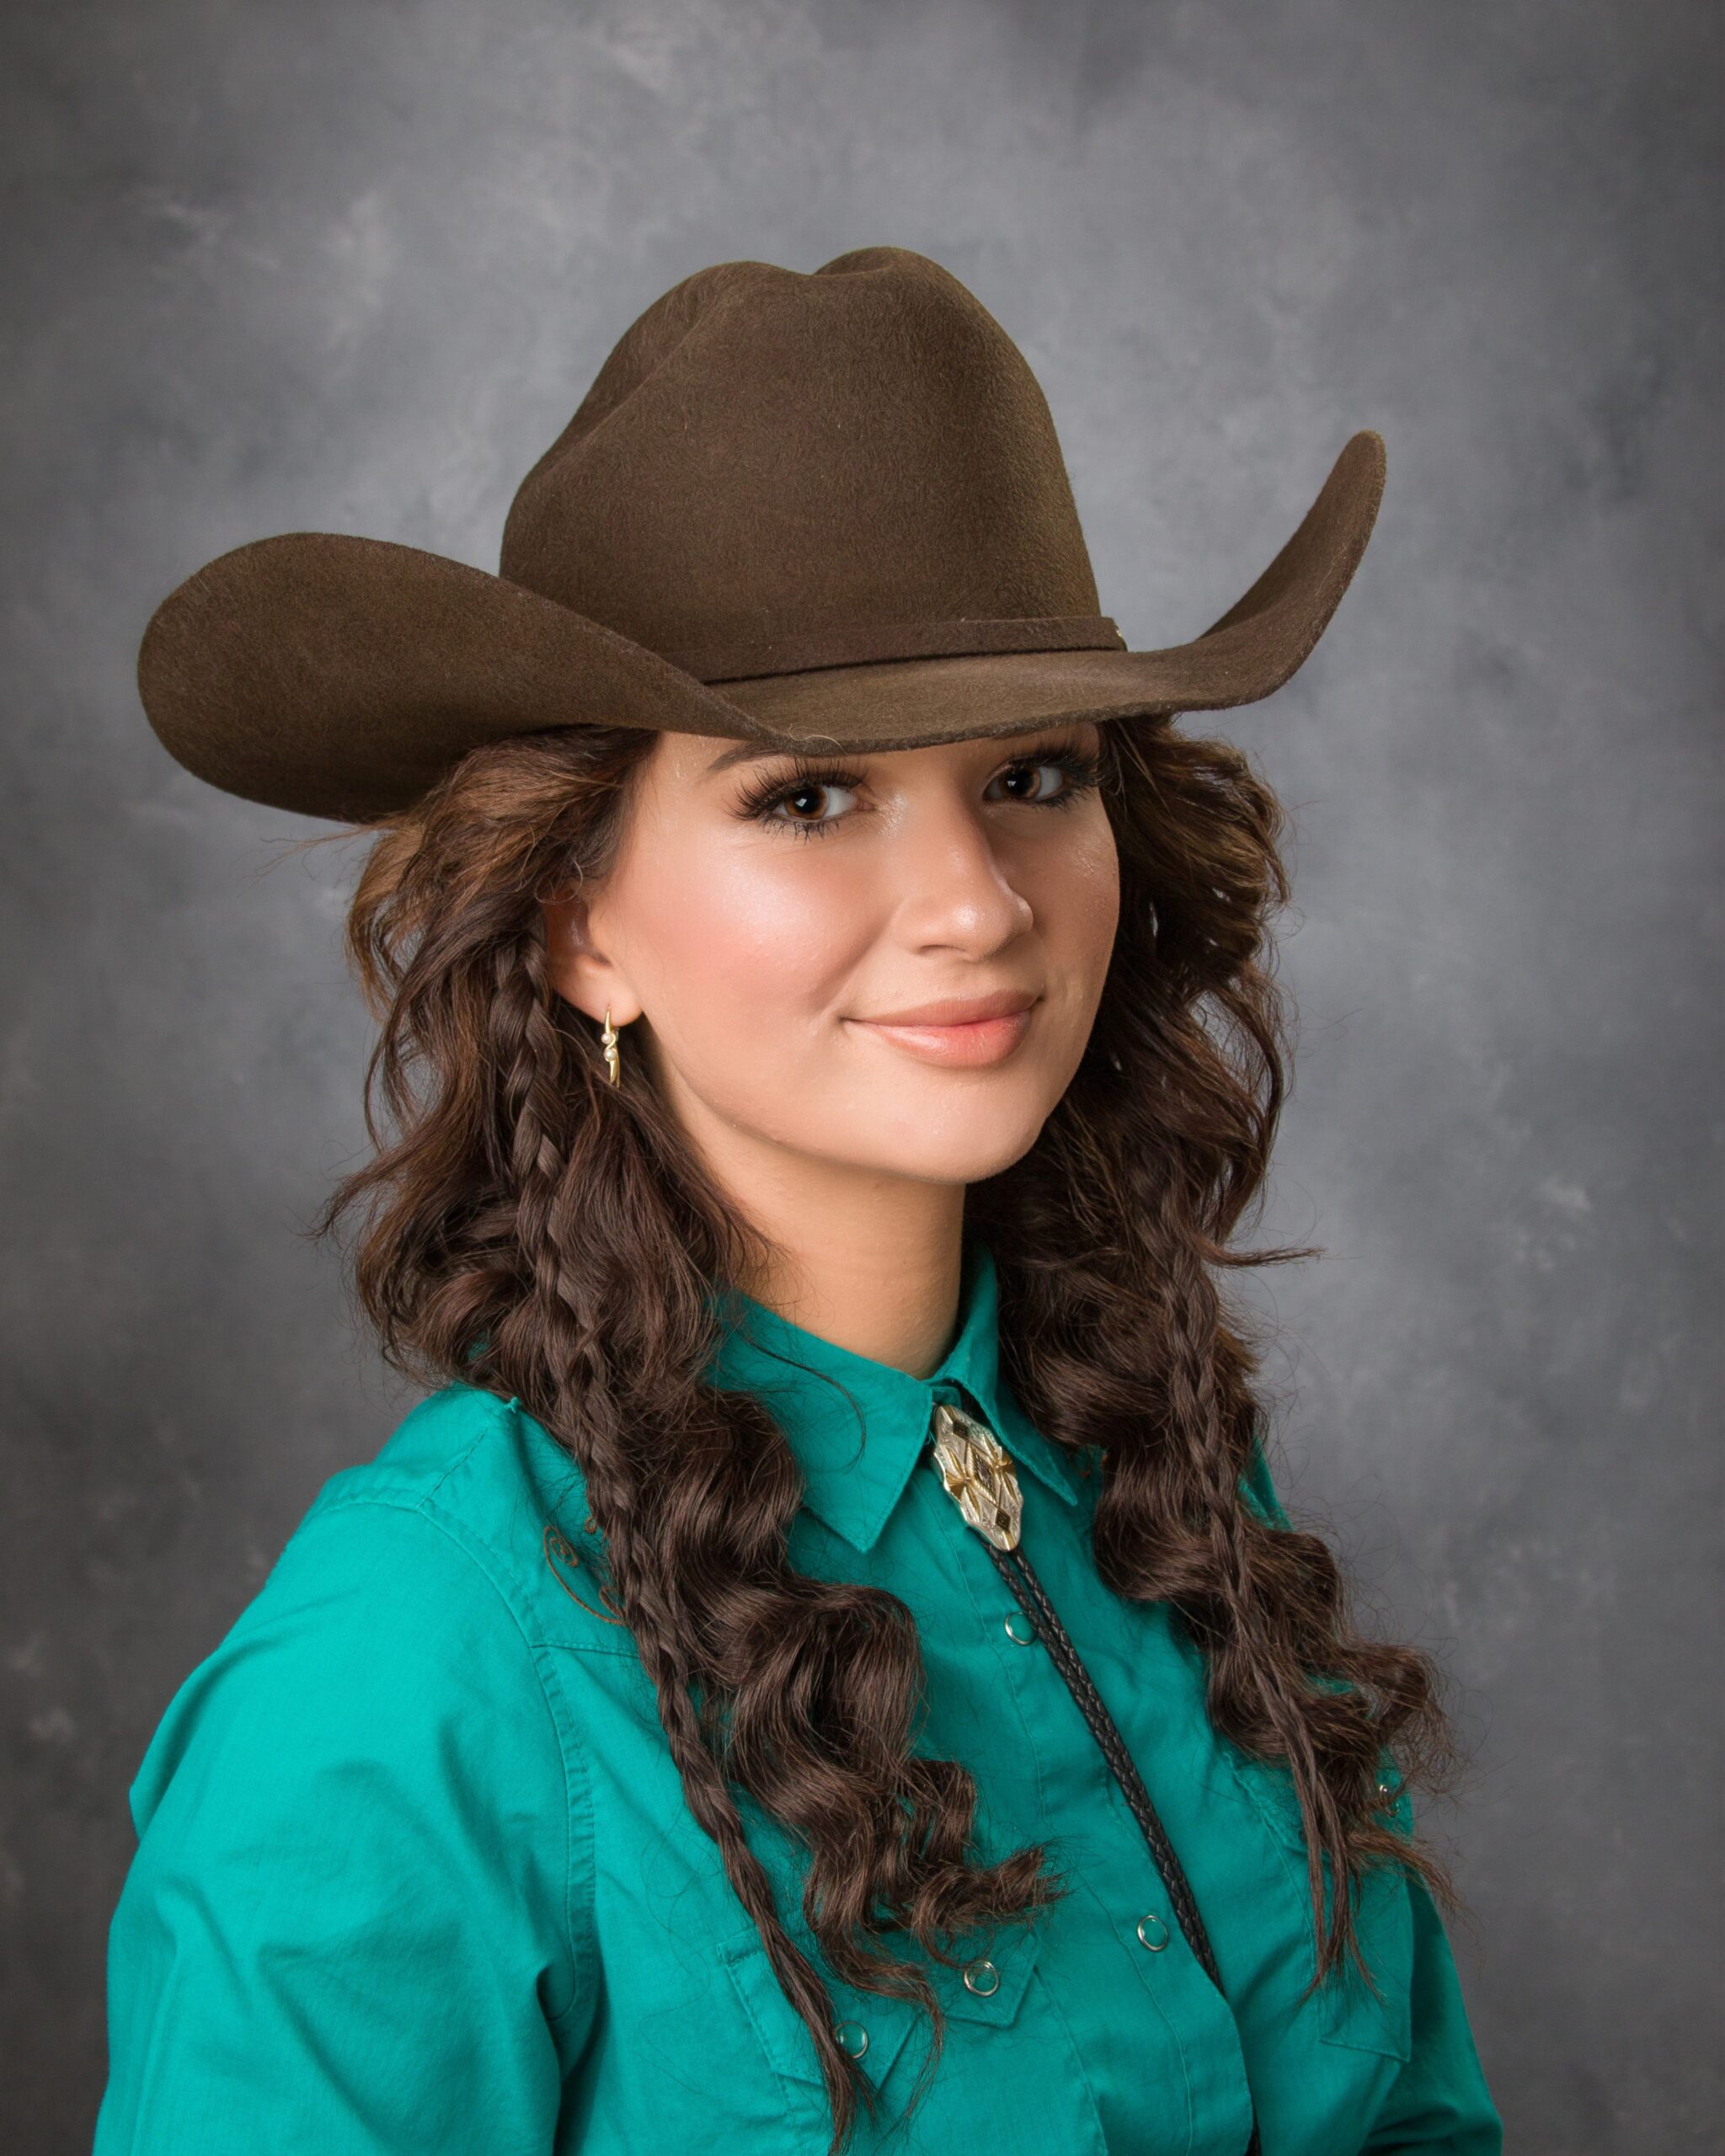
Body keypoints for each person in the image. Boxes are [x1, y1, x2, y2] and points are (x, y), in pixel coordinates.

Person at [94, 245, 1502, 2154]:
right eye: (808, 798)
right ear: (580, 919)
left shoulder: (1163, 1486)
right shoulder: (413, 1658)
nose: (978, 903)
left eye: (1028, 772)